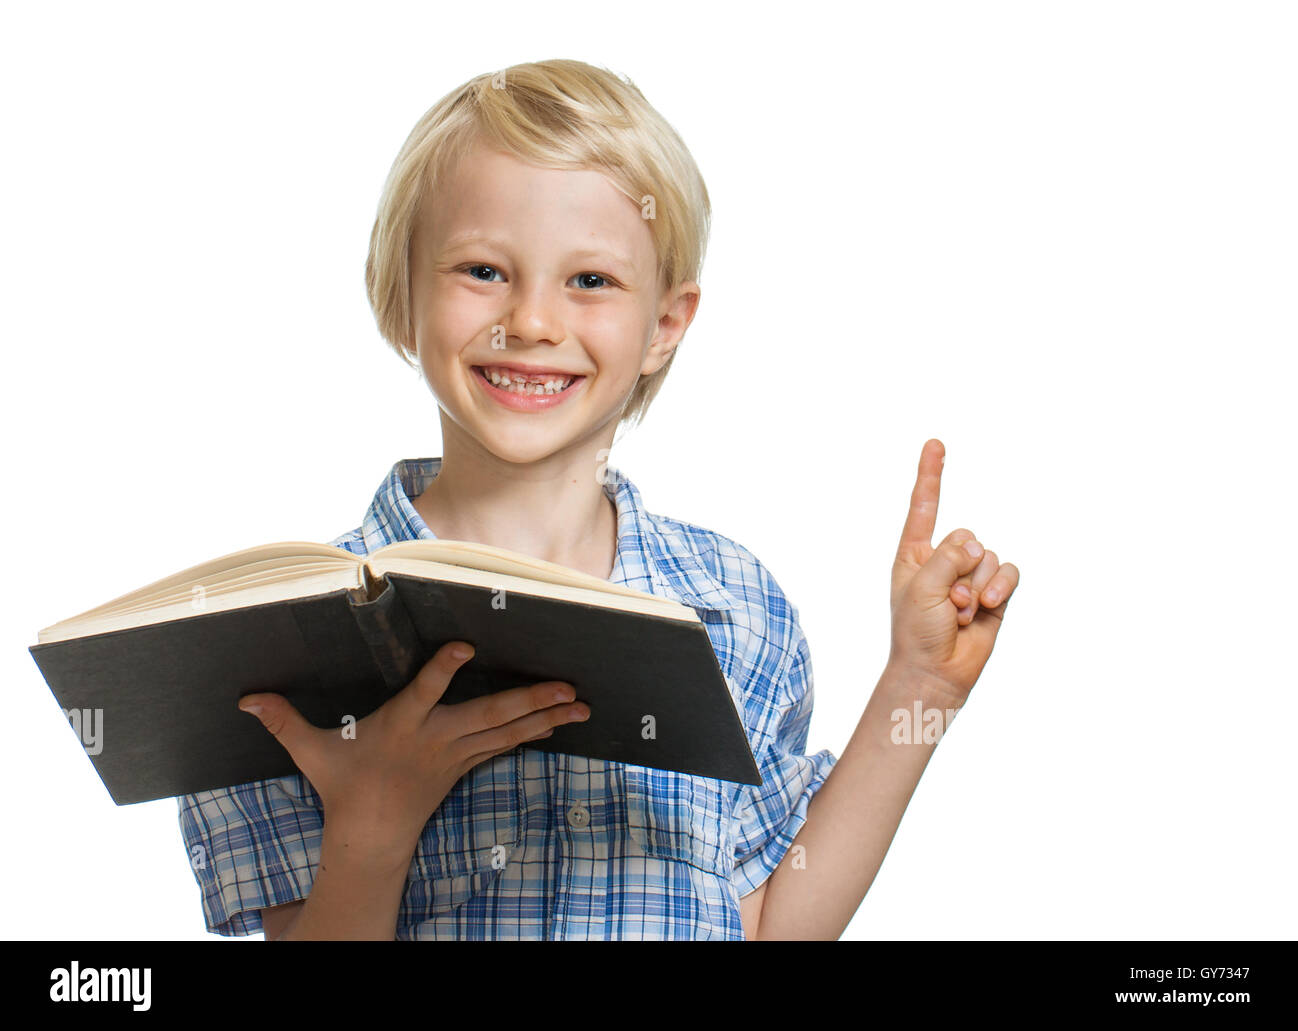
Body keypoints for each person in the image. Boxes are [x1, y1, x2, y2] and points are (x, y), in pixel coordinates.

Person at [177, 58, 1020, 940]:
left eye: (591, 281)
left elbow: (771, 927)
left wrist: (917, 687)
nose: (534, 321)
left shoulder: (740, 611)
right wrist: (374, 822)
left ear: (664, 325)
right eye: (481, 270)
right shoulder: (288, 643)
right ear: (399, 300)